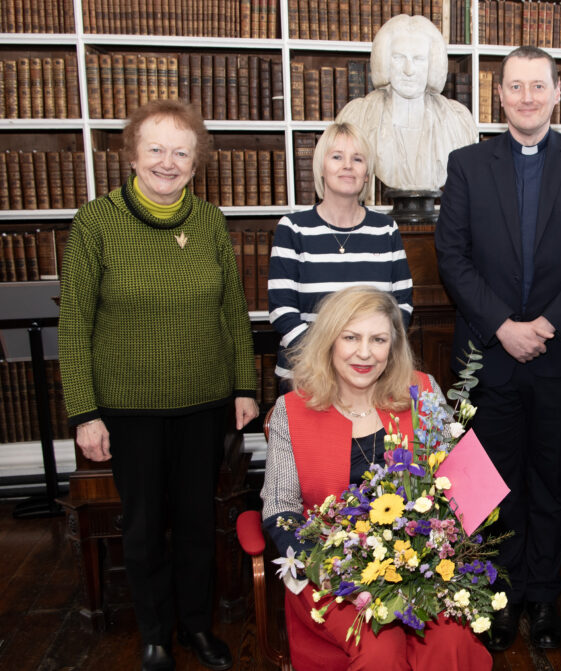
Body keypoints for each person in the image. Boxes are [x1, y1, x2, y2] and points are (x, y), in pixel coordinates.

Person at [58, 99, 258, 671]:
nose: (167, 163)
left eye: (181, 152)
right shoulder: (95, 223)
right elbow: (73, 324)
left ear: (196, 164)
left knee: (198, 523)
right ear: (132, 154)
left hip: (203, 403)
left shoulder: (210, 221)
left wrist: (244, 386)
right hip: (128, 408)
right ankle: (154, 635)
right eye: (156, 150)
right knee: (144, 526)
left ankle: (196, 627)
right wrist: (84, 413)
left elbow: (231, 312)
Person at [434, 45, 561, 651]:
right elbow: (452, 258)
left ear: (557, 93)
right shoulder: (466, 164)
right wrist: (502, 327)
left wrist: (544, 326)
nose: (527, 97)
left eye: (538, 86)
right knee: (492, 484)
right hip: (489, 355)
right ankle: (499, 595)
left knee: (551, 480)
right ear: (500, 94)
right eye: (515, 87)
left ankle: (542, 597)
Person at [259, 287, 492, 670]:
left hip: (422, 570)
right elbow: (280, 508)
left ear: (393, 346)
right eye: (350, 337)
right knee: (380, 652)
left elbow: (465, 484)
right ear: (329, 341)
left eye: (378, 339)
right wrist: (325, 566)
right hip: (334, 579)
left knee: (449, 640)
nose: (364, 353)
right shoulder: (292, 410)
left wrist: (436, 552)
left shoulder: (423, 391)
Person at [268, 121, 412, 383]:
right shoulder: (293, 228)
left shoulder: (386, 230)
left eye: (357, 159)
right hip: (307, 374)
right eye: (337, 157)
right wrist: (331, 359)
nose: (347, 165)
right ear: (321, 167)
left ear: (367, 173)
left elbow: (401, 306)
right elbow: (281, 310)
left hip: (370, 376)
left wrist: (367, 355)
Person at [336, 14, 477, 191]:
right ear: (384, 61)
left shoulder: (458, 122)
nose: (408, 70)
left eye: (418, 59)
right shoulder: (357, 117)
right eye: (398, 58)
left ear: (432, 64)